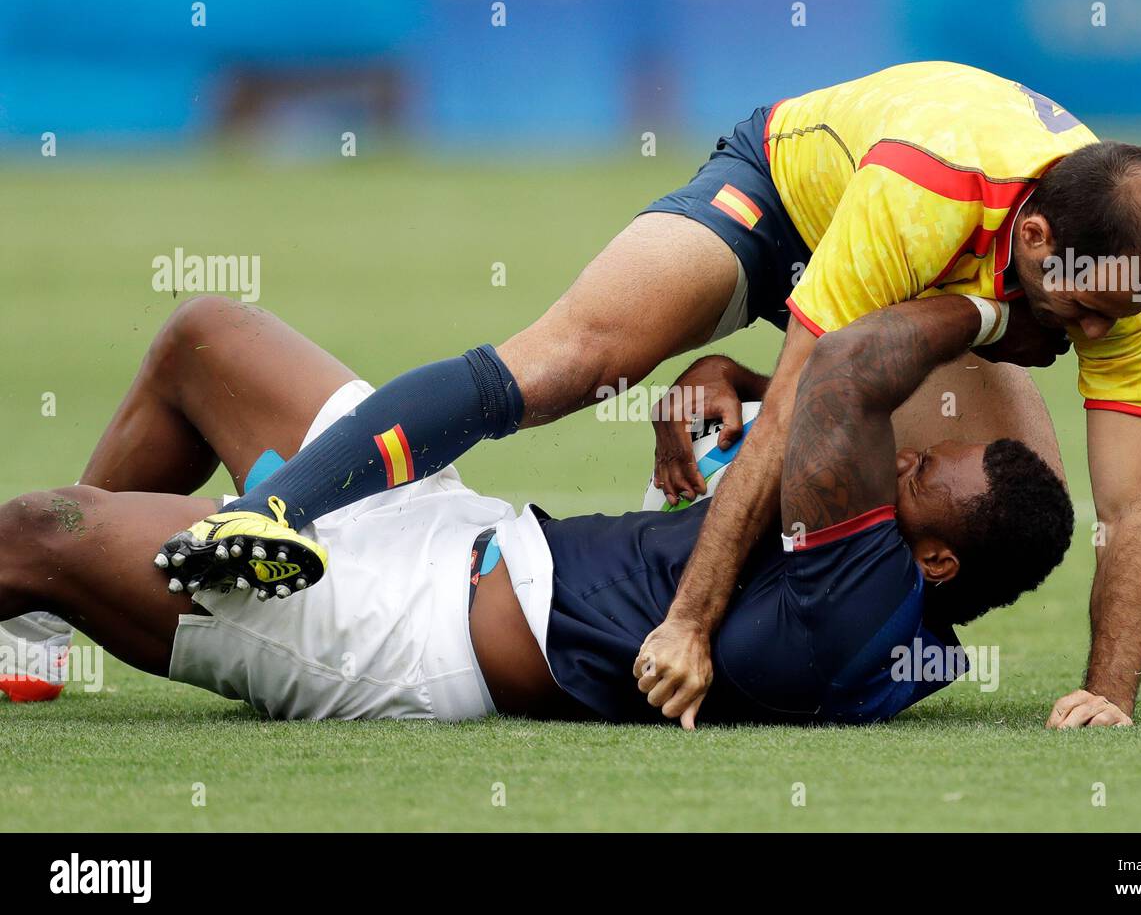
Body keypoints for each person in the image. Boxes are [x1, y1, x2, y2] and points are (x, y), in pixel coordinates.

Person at [150, 61, 1141, 727]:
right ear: (1037, 239)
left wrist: (1110, 693)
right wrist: (687, 626)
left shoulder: (1122, 281)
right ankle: (284, 507)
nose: (1096, 335)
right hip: (786, 200)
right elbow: (803, 406)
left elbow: (1129, 506)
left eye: (1116, 316)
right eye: (1082, 313)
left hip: (921, 294)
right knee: (558, 369)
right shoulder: (932, 190)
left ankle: (746, 511)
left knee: (1016, 496)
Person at [0, 296, 1074, 725]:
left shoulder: (863, 609)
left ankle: (43, 591)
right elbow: (789, 423)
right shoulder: (881, 565)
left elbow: (840, 373)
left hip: (398, 631)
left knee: (45, 529)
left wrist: (986, 301)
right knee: (208, 339)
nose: (913, 455)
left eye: (930, 472)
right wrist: (722, 377)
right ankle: (40, 639)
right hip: (460, 528)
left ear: (933, 562)